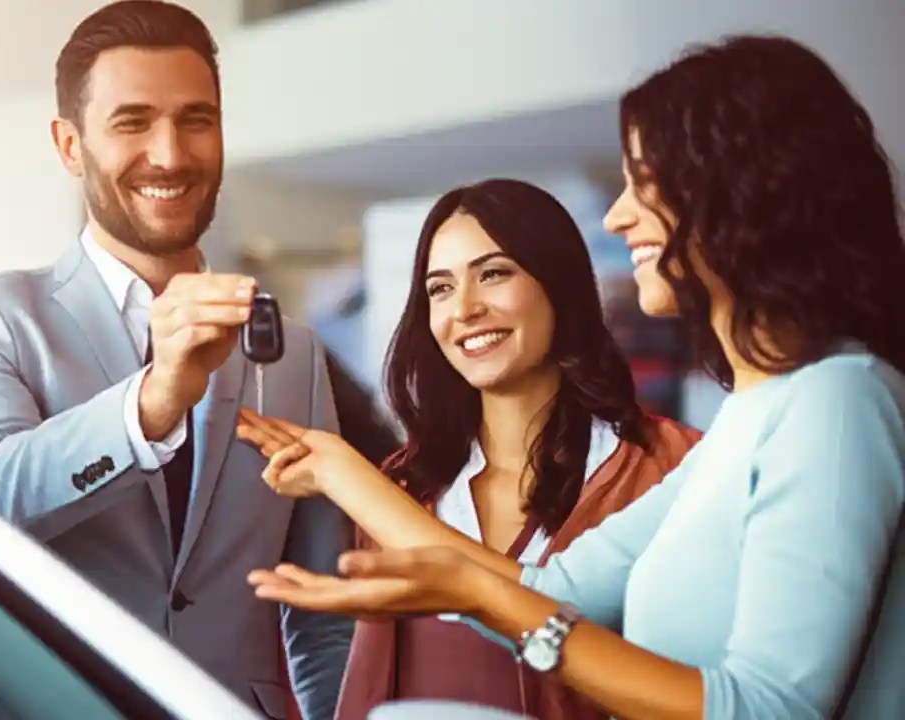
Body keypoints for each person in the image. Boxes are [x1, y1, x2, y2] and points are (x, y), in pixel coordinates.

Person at [241, 35, 905, 720]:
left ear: (745, 193)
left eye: (644, 184)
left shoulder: (836, 402)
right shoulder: (751, 416)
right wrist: (340, 472)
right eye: (439, 288)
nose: (618, 216)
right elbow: (557, 588)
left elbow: (770, 709)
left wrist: (479, 595)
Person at [0, 3, 352, 718]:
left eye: (196, 120)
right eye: (132, 122)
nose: (171, 155)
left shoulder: (291, 353)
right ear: (70, 145)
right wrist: (154, 402)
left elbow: (323, 612)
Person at [238, 178, 699, 719]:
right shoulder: (407, 484)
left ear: (558, 283)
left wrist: (346, 476)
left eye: (493, 274)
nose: (465, 308)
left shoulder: (665, 465)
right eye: (440, 289)